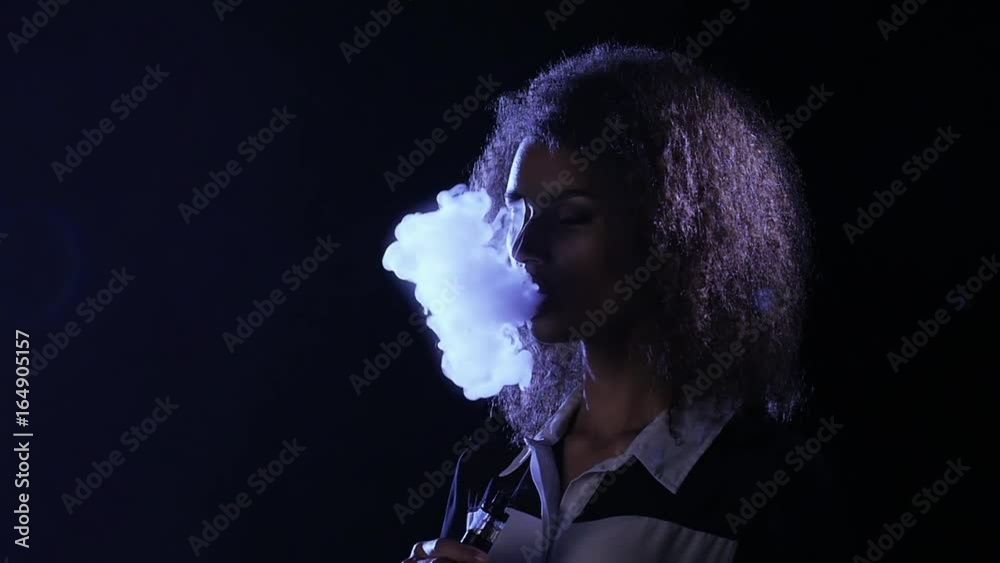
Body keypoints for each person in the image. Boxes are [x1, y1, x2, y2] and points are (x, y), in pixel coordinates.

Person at [403, 41, 844, 563]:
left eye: (571, 217)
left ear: (672, 232)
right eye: (519, 212)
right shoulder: (488, 475)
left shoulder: (768, 486)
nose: (525, 247)